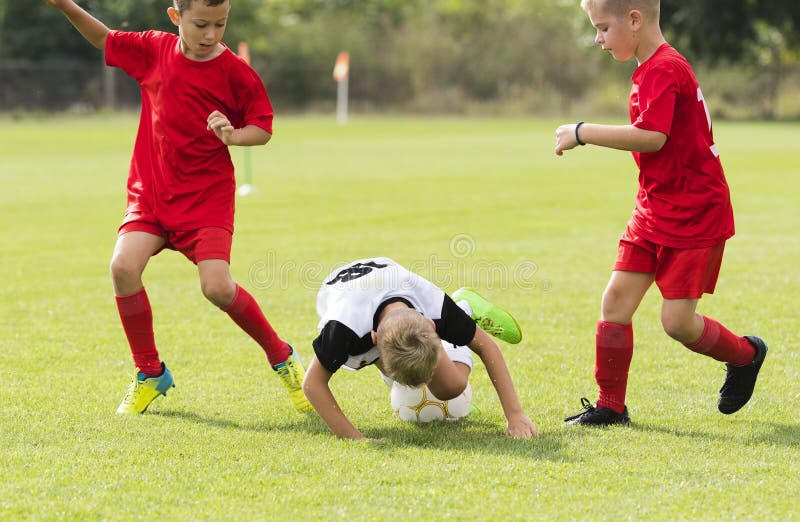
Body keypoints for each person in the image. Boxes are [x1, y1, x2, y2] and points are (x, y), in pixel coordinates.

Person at [43, 0, 311, 414]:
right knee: (122, 267)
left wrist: (232, 136)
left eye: (220, 24)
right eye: (201, 24)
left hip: (206, 200)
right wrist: (64, 5)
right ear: (176, 17)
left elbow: (262, 128)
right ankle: (149, 372)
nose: (210, 34)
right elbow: (103, 37)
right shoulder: (153, 49)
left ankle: (282, 357)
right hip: (151, 194)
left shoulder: (236, 71)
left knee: (217, 287)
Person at [554, 0, 767, 425]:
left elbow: (652, 136)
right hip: (654, 207)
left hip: (695, 211)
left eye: (601, 28)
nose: (597, 39)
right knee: (615, 301)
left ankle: (745, 355)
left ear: (634, 20)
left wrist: (582, 132)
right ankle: (610, 406)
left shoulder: (664, 68)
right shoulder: (648, 67)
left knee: (677, 322)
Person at [302, 257, 538, 440]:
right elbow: (312, 384)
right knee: (405, 380)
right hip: (350, 293)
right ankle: (395, 368)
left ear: (431, 325)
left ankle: (464, 307)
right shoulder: (342, 332)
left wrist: (515, 415)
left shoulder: (436, 306)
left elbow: (488, 347)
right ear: (374, 340)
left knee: (452, 386)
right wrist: (354, 438)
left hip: (391, 283)